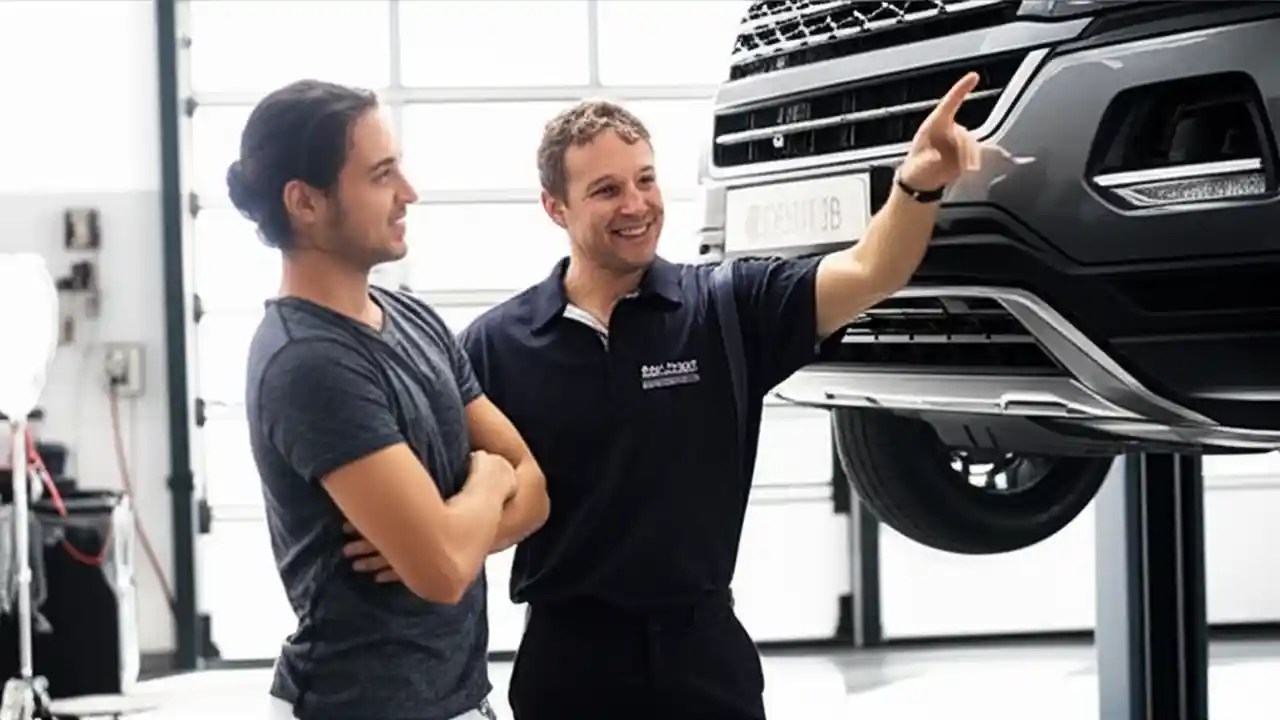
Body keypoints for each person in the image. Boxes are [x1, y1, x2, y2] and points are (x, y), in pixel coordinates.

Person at [355, 72, 986, 716]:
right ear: (556, 207)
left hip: (703, 657)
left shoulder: (726, 307)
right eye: (607, 189)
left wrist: (917, 182)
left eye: (646, 180)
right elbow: (444, 486)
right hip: (567, 665)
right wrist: (408, 537)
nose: (636, 204)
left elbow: (872, 270)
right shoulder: (495, 346)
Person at [232, 79, 549, 720]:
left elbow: (538, 492)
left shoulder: (412, 318)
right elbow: (442, 567)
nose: (409, 192)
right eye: (381, 175)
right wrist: (483, 486)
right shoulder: (307, 362)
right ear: (306, 203)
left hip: (457, 698)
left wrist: (449, 529)